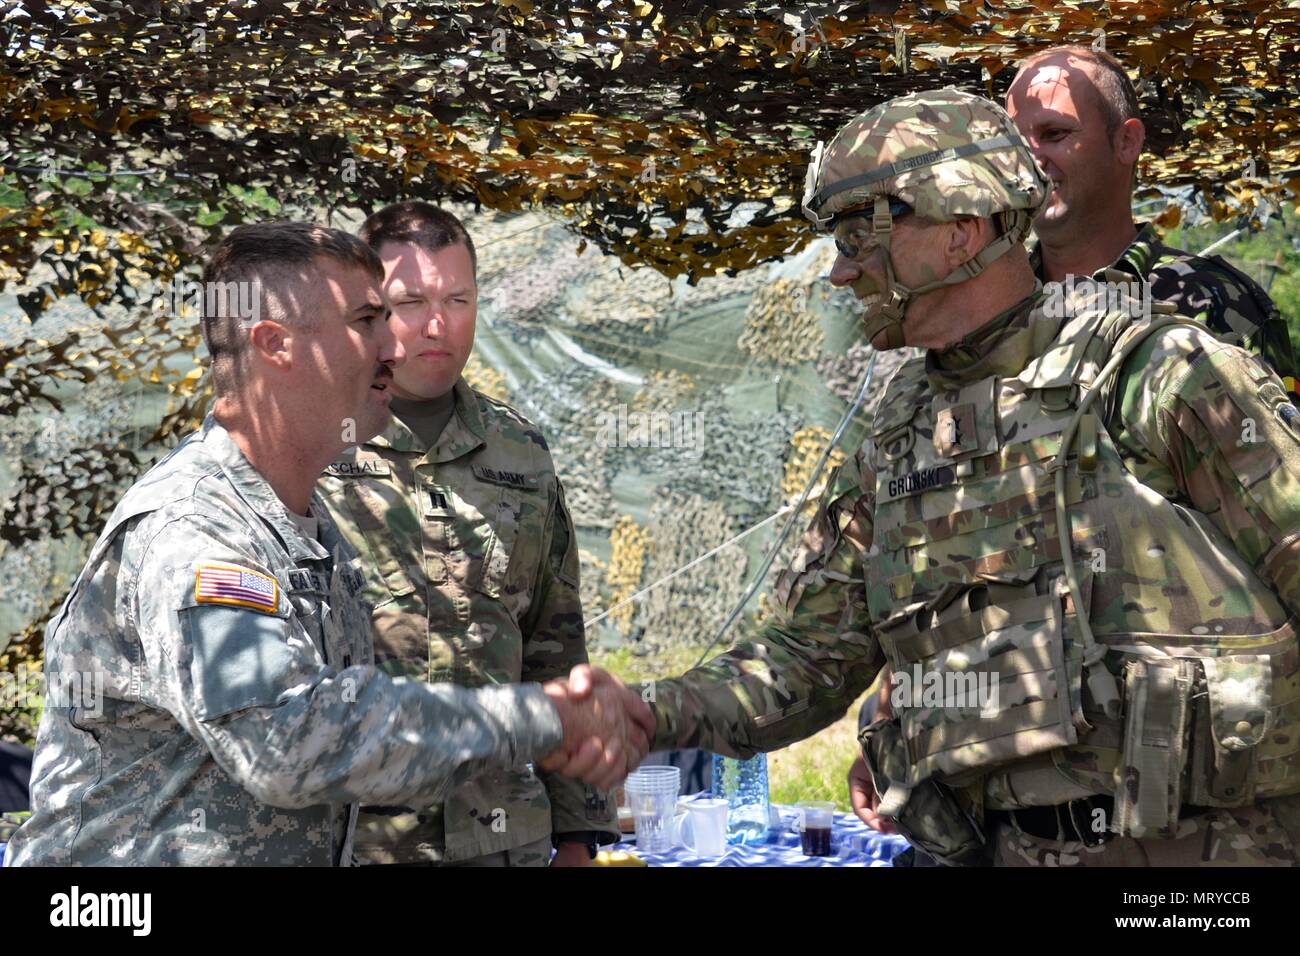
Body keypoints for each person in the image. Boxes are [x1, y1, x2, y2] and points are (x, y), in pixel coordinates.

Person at [643, 88, 1300, 866]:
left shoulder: (1159, 376)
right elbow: (808, 657)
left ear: (961, 233)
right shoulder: (896, 433)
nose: (842, 273)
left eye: (863, 233)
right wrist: (639, 711)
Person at [5, 222, 652, 866]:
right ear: (276, 344)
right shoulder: (195, 533)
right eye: (368, 320)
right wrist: (544, 719)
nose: (393, 345)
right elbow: (289, 740)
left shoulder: (304, 527)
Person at [316, 202, 617, 867]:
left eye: (458, 298)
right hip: (354, 843)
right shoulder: (313, 446)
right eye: (410, 300)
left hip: (503, 838)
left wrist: (579, 834)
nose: (437, 323)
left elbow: (555, 646)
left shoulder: (520, 452)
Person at [1006, 44, 1297, 390]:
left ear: (1127, 141)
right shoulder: (994, 303)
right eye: (1014, 142)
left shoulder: (1215, 301)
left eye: (1054, 134)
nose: (1030, 160)